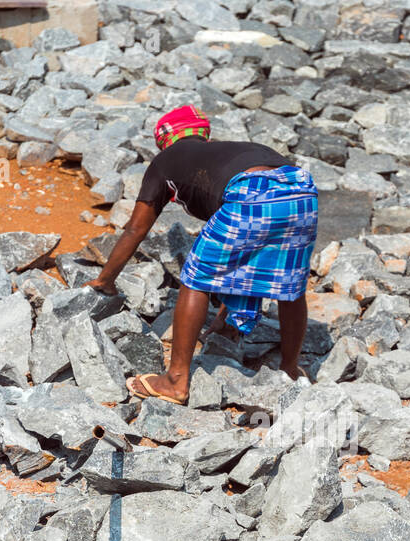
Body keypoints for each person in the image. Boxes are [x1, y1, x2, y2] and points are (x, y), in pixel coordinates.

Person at [88, 105, 319, 405]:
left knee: (196, 278)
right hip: (301, 190)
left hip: (249, 191)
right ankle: (289, 368)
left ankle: (175, 381)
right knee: (287, 282)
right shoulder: (230, 151)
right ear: (202, 135)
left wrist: (104, 281)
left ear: (165, 140)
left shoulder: (165, 162)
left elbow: (135, 230)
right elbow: (247, 253)